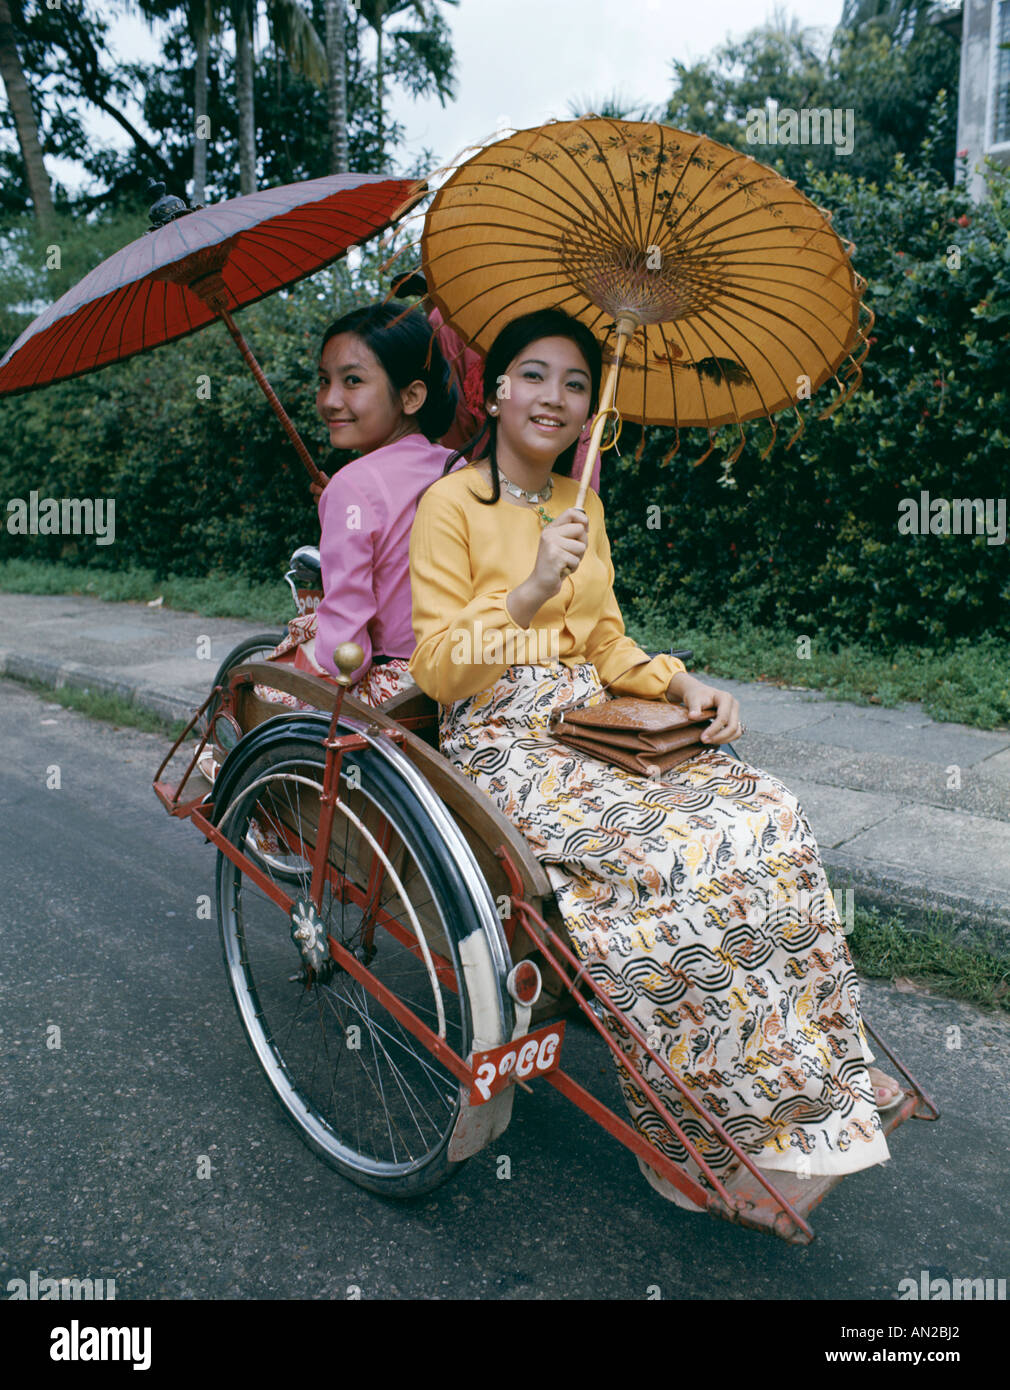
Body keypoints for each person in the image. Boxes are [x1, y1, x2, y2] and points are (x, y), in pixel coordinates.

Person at [407, 306, 901, 1208]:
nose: (553, 397)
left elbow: (607, 643)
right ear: (494, 389)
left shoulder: (582, 500)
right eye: (533, 374)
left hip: (589, 718)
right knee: (663, 851)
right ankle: (697, 1130)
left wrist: (678, 687)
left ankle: (796, 1092)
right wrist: (524, 595)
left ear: (591, 410)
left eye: (576, 383)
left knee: (763, 813)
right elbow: (438, 671)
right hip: (498, 733)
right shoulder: (450, 505)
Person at [258, 301, 460, 709]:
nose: (330, 400)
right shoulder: (457, 466)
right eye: (323, 381)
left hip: (391, 689)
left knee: (252, 697)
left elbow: (346, 643)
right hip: (455, 673)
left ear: (411, 395)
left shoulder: (353, 486)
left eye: (352, 381)